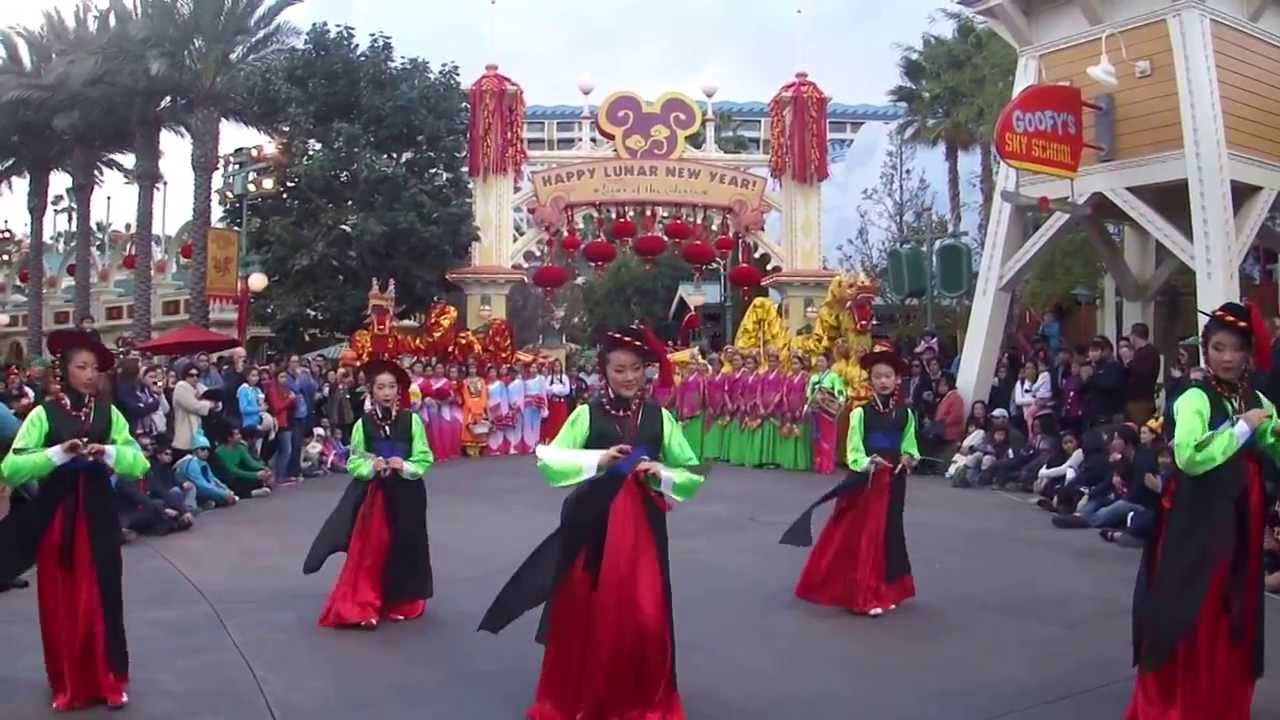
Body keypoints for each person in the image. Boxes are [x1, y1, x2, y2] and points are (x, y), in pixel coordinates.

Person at [479, 324, 704, 719]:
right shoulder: (586, 414)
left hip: (644, 529)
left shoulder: (659, 417)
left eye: (635, 368)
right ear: (605, 373)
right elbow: (549, 457)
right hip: (593, 522)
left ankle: (643, 698)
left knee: (646, 613)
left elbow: (690, 470)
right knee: (589, 610)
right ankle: (584, 698)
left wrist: (659, 471)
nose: (629, 377)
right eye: (619, 370)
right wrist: (597, 460)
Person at [1127, 301, 1280, 719]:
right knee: (1192, 606)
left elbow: (1276, 443)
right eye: (1218, 348)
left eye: (1236, 349)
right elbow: (1190, 456)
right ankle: (1179, 705)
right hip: (1196, 519)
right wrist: (1244, 427)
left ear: (1249, 352)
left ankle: (1222, 702)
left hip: (1241, 516)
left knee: (1233, 607)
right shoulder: (1193, 397)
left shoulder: (1255, 397)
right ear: (1205, 351)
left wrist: (1268, 431)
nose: (1228, 358)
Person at [0, 330, 149, 710]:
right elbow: (13, 467)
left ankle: (108, 680)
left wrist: (109, 453)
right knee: (62, 601)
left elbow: (138, 462)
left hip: (99, 515)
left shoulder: (108, 412)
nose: (88, 374)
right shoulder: (42, 413)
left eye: (94, 369)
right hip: (59, 519)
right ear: (63, 370)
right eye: (81, 367)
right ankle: (67, 682)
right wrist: (57, 454)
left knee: (103, 597)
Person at [783, 340, 919, 617]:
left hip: (894, 480)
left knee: (890, 534)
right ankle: (864, 594)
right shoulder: (860, 413)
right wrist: (867, 462)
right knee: (866, 535)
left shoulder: (905, 414)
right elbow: (853, 449)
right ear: (870, 380)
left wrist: (907, 457)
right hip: (868, 480)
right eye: (878, 376)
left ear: (897, 380)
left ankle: (887, 589)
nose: (883, 381)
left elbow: (910, 444)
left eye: (888, 376)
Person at [305, 358, 434, 629]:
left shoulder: (412, 421)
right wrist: (370, 466)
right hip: (376, 494)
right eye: (380, 388)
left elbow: (424, 456)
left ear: (398, 391)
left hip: (408, 491)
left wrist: (406, 465)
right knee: (372, 549)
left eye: (391, 387)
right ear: (371, 391)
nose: (386, 393)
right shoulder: (363, 424)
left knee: (408, 545)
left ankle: (403, 601)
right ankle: (364, 604)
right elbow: (353, 459)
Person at [808, 353, 847, 474]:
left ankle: (827, 465)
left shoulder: (833, 377)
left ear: (828, 363)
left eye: (822, 361)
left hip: (828, 411)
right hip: (815, 410)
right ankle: (818, 463)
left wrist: (840, 402)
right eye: (818, 361)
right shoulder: (814, 377)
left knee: (828, 438)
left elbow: (840, 391)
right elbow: (809, 393)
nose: (819, 364)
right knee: (817, 437)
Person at [175, 434, 238, 508]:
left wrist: (226, 490)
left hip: (201, 490)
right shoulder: (190, 462)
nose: (206, 452)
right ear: (194, 450)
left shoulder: (203, 462)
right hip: (188, 492)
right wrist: (223, 494)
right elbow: (201, 484)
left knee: (225, 496)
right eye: (202, 449)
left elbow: (212, 479)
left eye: (208, 450)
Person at [171, 362, 218, 459]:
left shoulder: (199, 387)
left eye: (197, 375)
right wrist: (210, 404)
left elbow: (216, 400)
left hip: (199, 431)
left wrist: (214, 403)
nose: (195, 378)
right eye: (191, 375)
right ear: (184, 375)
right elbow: (194, 406)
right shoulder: (181, 387)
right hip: (185, 433)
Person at [211, 427, 273, 499]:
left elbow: (251, 463)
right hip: (227, 477)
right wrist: (254, 475)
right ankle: (251, 493)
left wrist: (265, 469)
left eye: (239, 434)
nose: (240, 436)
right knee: (236, 484)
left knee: (259, 479)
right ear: (229, 438)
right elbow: (232, 470)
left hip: (239, 476)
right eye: (237, 434)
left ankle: (258, 488)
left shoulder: (240, 447)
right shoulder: (221, 451)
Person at [779, 352, 812, 472]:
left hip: (801, 407)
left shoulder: (806, 377)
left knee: (800, 434)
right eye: (792, 363)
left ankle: (800, 462)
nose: (794, 366)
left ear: (802, 365)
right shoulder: (789, 377)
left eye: (796, 363)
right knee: (789, 432)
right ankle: (789, 460)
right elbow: (784, 394)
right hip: (789, 406)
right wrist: (787, 407)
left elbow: (807, 394)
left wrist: (801, 408)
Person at [266, 369, 298, 484]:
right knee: (286, 449)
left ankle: (279, 474)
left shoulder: (287, 389)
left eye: (285, 377)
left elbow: (293, 405)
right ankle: (279, 475)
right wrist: (289, 400)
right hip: (279, 422)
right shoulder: (273, 390)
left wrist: (293, 400)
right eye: (281, 377)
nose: (284, 379)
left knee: (283, 449)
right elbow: (276, 407)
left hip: (288, 421)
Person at [1126, 323, 1161, 424]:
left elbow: (1140, 374)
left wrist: (1128, 362)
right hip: (1141, 400)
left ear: (1134, 336)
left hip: (1140, 401)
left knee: (1138, 428)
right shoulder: (1146, 352)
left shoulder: (1147, 353)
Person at [758, 349, 787, 468]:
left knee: (774, 435)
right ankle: (764, 458)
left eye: (774, 361)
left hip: (775, 410)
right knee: (765, 433)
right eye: (770, 361)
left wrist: (772, 407)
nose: (771, 364)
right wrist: (760, 406)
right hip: (763, 408)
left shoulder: (781, 376)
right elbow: (759, 392)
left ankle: (774, 459)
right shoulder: (763, 375)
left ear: (778, 362)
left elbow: (781, 392)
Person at [676, 360, 706, 460]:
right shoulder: (685, 378)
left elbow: (702, 394)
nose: (691, 366)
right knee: (685, 433)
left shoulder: (700, 379)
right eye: (689, 364)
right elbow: (680, 393)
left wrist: (699, 407)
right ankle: (685, 454)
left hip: (696, 409)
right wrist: (679, 406)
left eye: (694, 364)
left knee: (695, 434)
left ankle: (695, 454)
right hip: (684, 405)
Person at [702, 354, 729, 462]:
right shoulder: (709, 378)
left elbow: (726, 392)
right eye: (713, 365)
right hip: (710, 404)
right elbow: (706, 392)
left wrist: (721, 405)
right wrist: (709, 405)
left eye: (717, 364)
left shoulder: (725, 377)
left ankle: (717, 452)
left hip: (721, 405)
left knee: (719, 429)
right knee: (709, 429)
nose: (715, 367)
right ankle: (709, 452)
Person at [542, 360, 572, 443]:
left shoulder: (564, 377)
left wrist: (556, 389)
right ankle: (550, 440)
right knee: (551, 423)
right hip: (552, 403)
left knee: (561, 422)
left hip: (561, 403)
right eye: (555, 366)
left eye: (558, 366)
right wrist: (556, 388)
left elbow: (567, 390)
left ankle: (561, 440)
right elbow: (547, 389)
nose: (557, 368)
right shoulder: (549, 377)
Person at [485, 366, 511, 456]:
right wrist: (488, 411)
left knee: (499, 429)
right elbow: (486, 399)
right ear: (488, 374)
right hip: (490, 409)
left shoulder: (500, 384)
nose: (492, 374)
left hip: (499, 408)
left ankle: (500, 448)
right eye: (490, 372)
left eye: (494, 372)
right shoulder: (486, 386)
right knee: (492, 429)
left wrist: (504, 411)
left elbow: (504, 397)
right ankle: (492, 449)